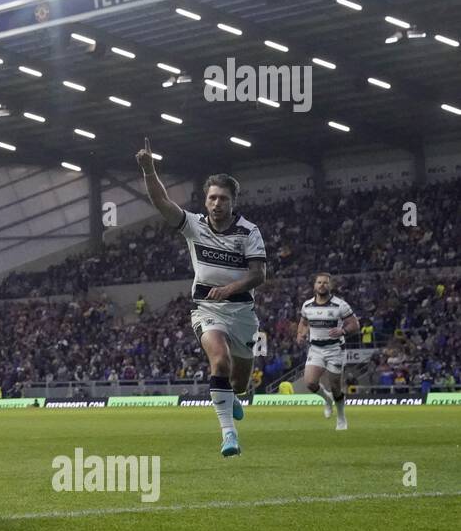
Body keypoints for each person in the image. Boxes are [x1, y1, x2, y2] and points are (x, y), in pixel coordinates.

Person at [136, 139, 266, 457]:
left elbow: (259, 275)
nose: (217, 203)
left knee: (238, 383)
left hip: (242, 312)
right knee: (218, 361)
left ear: (233, 201)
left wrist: (231, 288)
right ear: (205, 201)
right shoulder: (194, 225)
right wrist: (149, 169)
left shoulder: (248, 232)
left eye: (223, 198)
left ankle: (232, 397)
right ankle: (229, 435)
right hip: (207, 308)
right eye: (212, 197)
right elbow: (161, 201)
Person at [297, 273, 359, 430]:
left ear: (330, 286)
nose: (322, 285)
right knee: (310, 383)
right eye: (319, 282)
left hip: (335, 349)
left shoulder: (340, 305)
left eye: (325, 283)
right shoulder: (307, 305)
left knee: (336, 386)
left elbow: (354, 324)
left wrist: (343, 331)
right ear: (314, 285)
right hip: (315, 349)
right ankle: (327, 399)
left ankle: (341, 417)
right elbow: (303, 323)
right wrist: (301, 334)